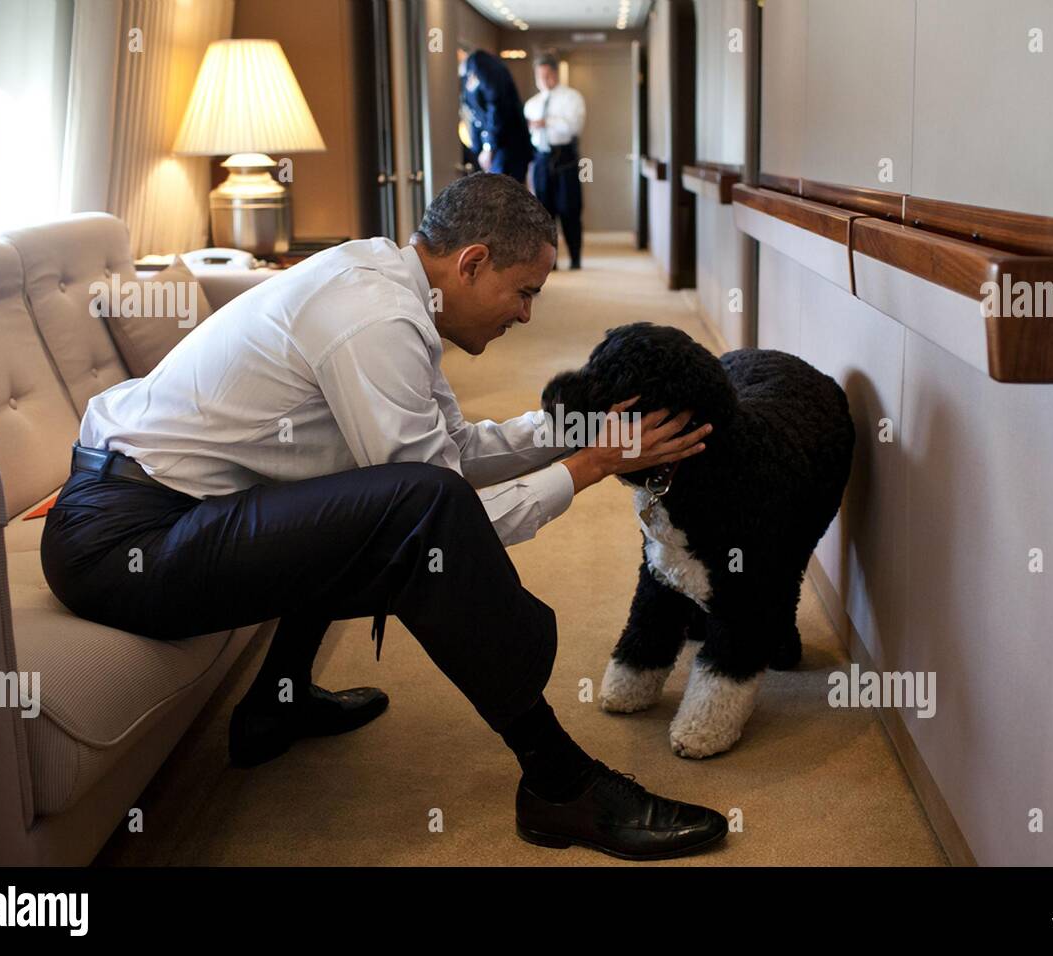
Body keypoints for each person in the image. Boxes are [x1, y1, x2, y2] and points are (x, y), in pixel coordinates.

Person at [39, 172, 725, 861]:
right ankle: (559, 782)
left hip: (156, 511)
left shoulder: (389, 283)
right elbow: (441, 511)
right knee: (413, 510)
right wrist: (590, 468)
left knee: (365, 484)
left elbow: (449, 452)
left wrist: (571, 429)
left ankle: (276, 703)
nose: (525, 316)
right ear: (472, 262)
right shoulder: (376, 317)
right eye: (524, 292)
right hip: (124, 545)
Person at [524, 52, 586, 269]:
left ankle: (576, 257)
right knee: (544, 212)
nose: (543, 80)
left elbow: (574, 127)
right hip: (541, 158)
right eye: (539, 76)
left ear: (555, 73)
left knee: (570, 209)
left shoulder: (572, 98)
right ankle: (551, 261)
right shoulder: (531, 104)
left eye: (547, 75)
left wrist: (547, 122)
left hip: (565, 158)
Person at [462, 49, 534, 184]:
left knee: (503, 193)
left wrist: (489, 147)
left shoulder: (479, 62)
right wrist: (478, 150)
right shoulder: (468, 73)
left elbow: (496, 104)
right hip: (496, 149)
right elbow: (475, 116)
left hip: (507, 147)